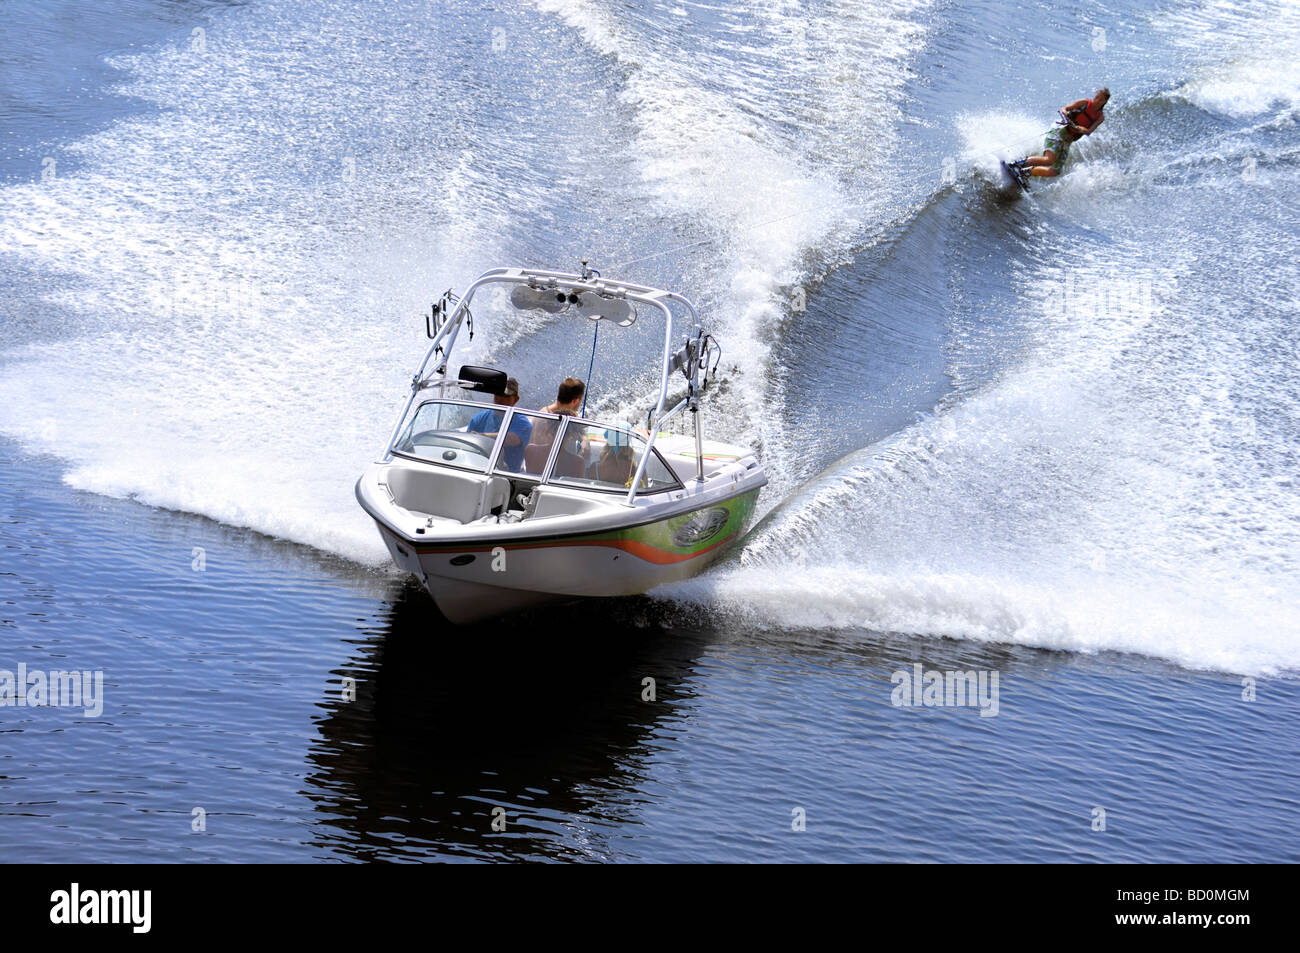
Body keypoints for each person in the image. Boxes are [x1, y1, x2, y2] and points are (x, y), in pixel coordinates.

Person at [1013, 87, 1109, 179]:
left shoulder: (1100, 117)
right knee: (1049, 160)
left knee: (1055, 171)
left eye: (1100, 100)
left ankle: (1025, 172)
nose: (1097, 101)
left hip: (1067, 140)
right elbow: (1064, 109)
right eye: (1096, 97)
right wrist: (1065, 114)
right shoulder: (1085, 102)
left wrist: (1080, 129)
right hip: (1059, 131)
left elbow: (1089, 131)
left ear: (1105, 102)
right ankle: (1018, 165)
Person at [467, 376, 532, 471]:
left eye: (505, 396)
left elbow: (510, 438)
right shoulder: (479, 418)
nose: (500, 399)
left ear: (516, 399)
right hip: (478, 469)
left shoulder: (523, 424)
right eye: (498, 394)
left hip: (508, 476)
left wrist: (480, 436)